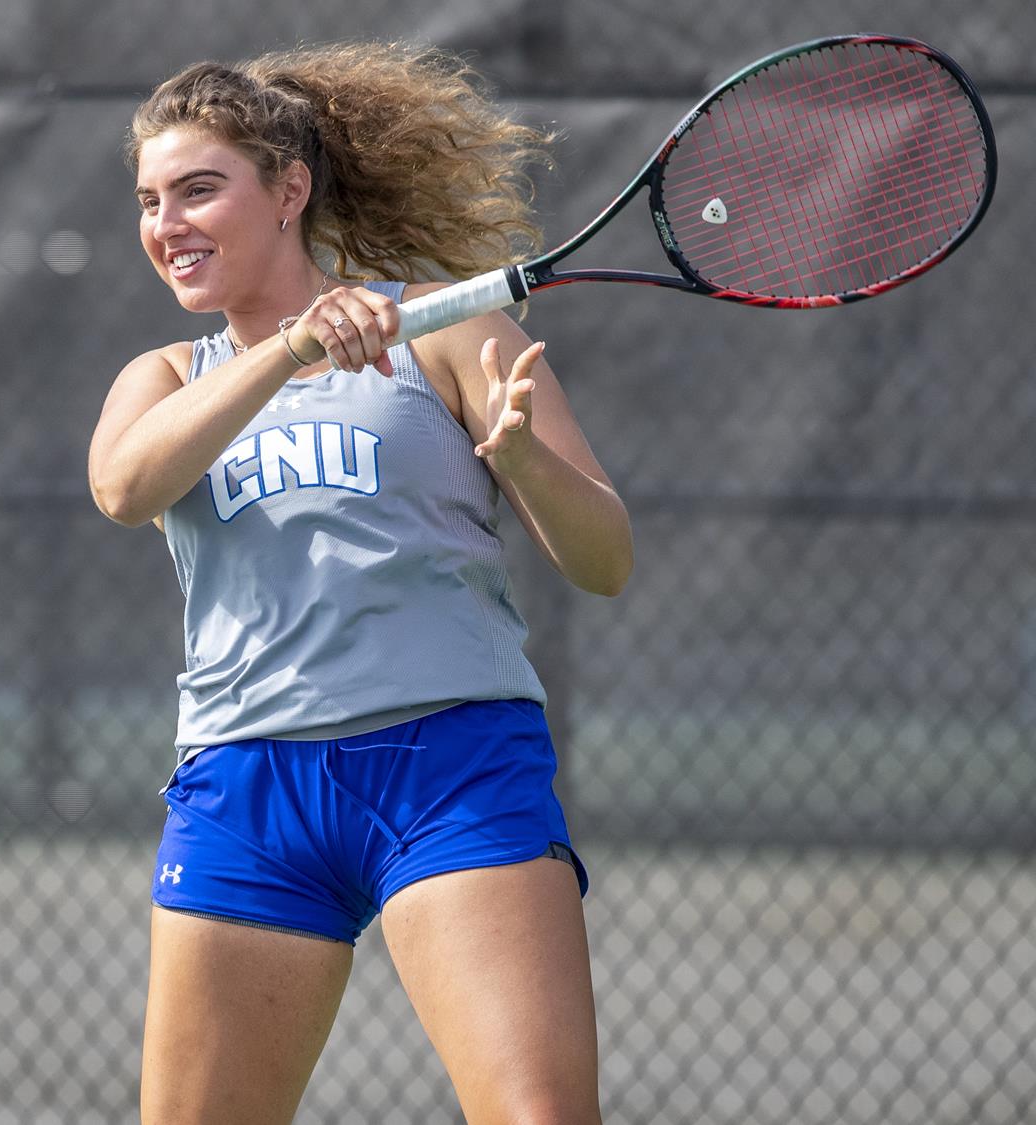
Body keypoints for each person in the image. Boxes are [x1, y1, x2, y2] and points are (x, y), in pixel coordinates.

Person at [90, 41, 632, 1125]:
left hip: (452, 770)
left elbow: (603, 561)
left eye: (199, 189)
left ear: (287, 191)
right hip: (248, 791)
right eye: (150, 200)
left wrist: (520, 460)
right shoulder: (163, 376)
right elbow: (124, 485)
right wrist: (288, 349)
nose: (167, 224)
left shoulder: (447, 332)